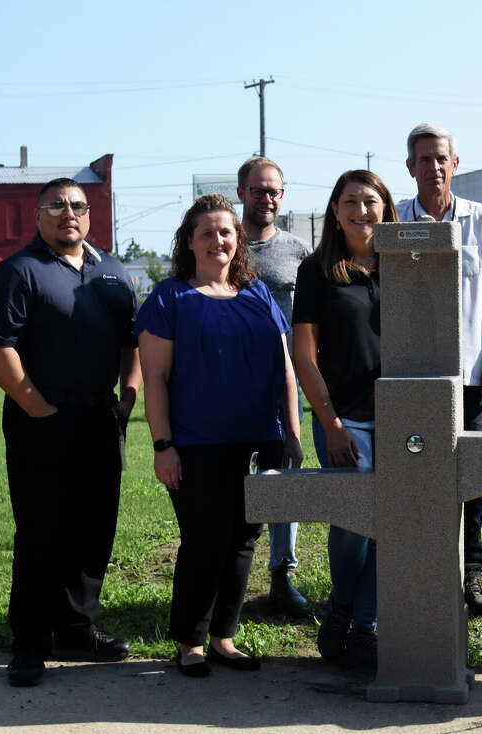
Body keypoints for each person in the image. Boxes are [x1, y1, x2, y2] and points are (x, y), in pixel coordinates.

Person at [0, 178, 141, 687]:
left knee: (94, 530)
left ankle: (78, 629)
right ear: (38, 215)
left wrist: (127, 401)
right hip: (40, 421)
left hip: (100, 418)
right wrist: (36, 406)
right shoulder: (18, 272)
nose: (67, 213)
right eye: (56, 205)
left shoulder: (112, 273)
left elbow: (133, 342)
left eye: (77, 205)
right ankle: (29, 642)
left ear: (89, 214)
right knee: (41, 532)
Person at [137, 194, 303, 678]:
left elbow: (285, 369)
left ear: (238, 240)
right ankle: (189, 642)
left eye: (225, 232)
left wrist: (291, 433)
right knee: (204, 540)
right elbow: (156, 380)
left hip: (259, 439)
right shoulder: (169, 297)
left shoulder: (258, 294)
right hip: (196, 444)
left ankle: (223, 638)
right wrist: (163, 446)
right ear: (189, 241)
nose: (218, 241)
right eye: (207, 233)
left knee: (243, 540)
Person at [396, 123, 482, 617]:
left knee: (471, 478)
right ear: (410, 168)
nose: (434, 167)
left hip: (468, 377)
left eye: (442, 158)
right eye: (424, 159)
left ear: (455, 164)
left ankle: (472, 577)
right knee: (411, 476)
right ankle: (414, 576)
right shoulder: (393, 219)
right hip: (408, 377)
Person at [293, 170, 397, 669]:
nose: (361, 211)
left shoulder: (408, 268)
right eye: (350, 202)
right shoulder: (316, 271)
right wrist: (330, 424)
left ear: (386, 208)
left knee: (391, 523)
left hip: (402, 421)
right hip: (344, 418)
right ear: (335, 211)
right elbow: (304, 354)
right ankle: (341, 603)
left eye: (370, 201)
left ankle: (364, 626)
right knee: (353, 520)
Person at [236, 157, 312, 618]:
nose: (267, 198)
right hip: (227, 384)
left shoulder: (299, 251)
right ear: (242, 192)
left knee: (285, 476)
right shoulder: (222, 243)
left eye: (275, 191)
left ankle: (282, 575)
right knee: (229, 479)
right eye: (258, 190)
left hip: (283, 384)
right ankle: (227, 574)